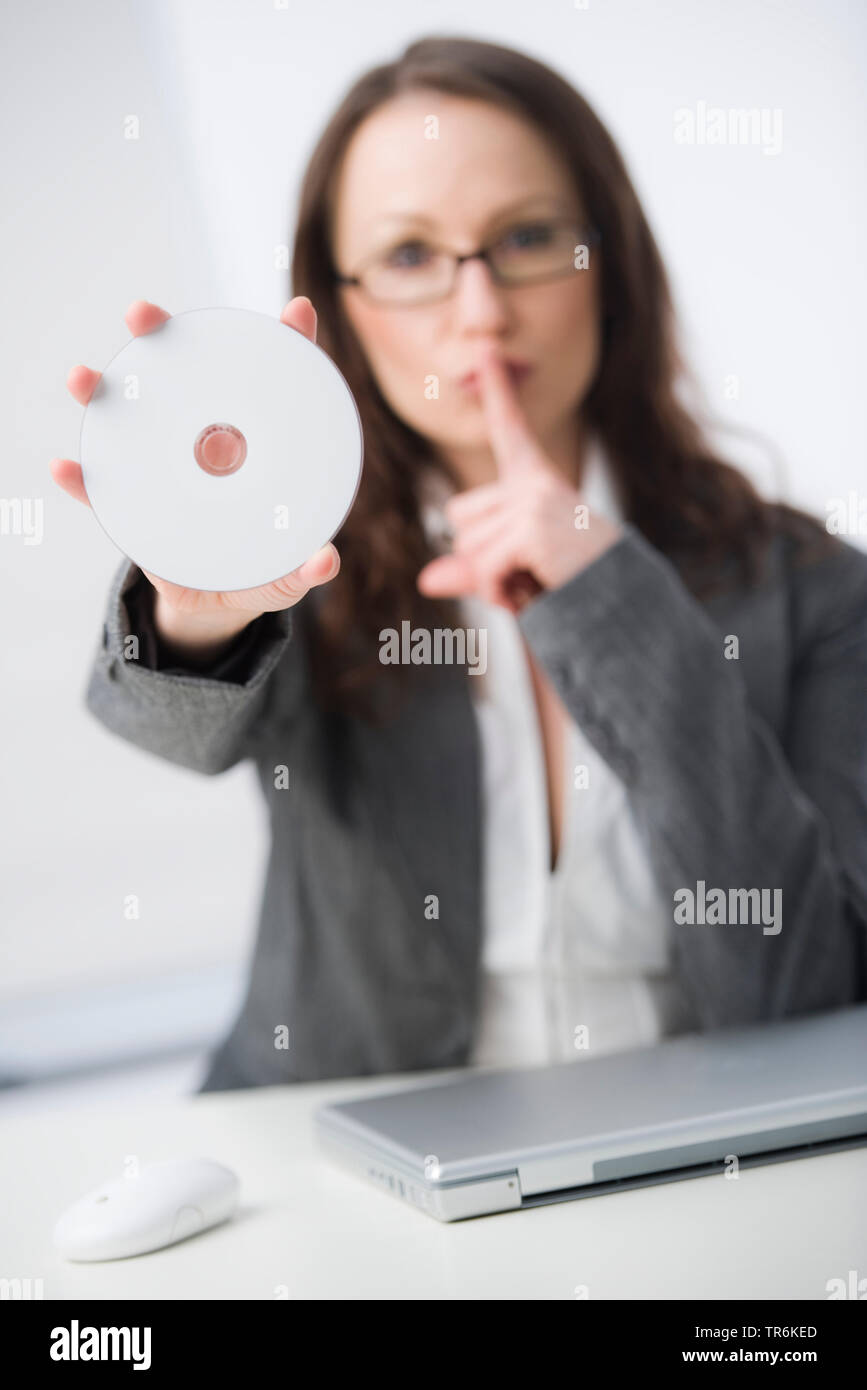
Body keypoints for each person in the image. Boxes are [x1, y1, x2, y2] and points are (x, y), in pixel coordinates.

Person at [52, 36, 867, 1092]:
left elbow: (807, 996)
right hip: (341, 1168)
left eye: (526, 238)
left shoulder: (811, 585)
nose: (480, 311)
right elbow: (165, 729)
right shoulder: (303, 552)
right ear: (341, 309)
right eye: (408, 257)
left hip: (699, 1164)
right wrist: (199, 602)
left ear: (608, 263)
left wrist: (625, 613)